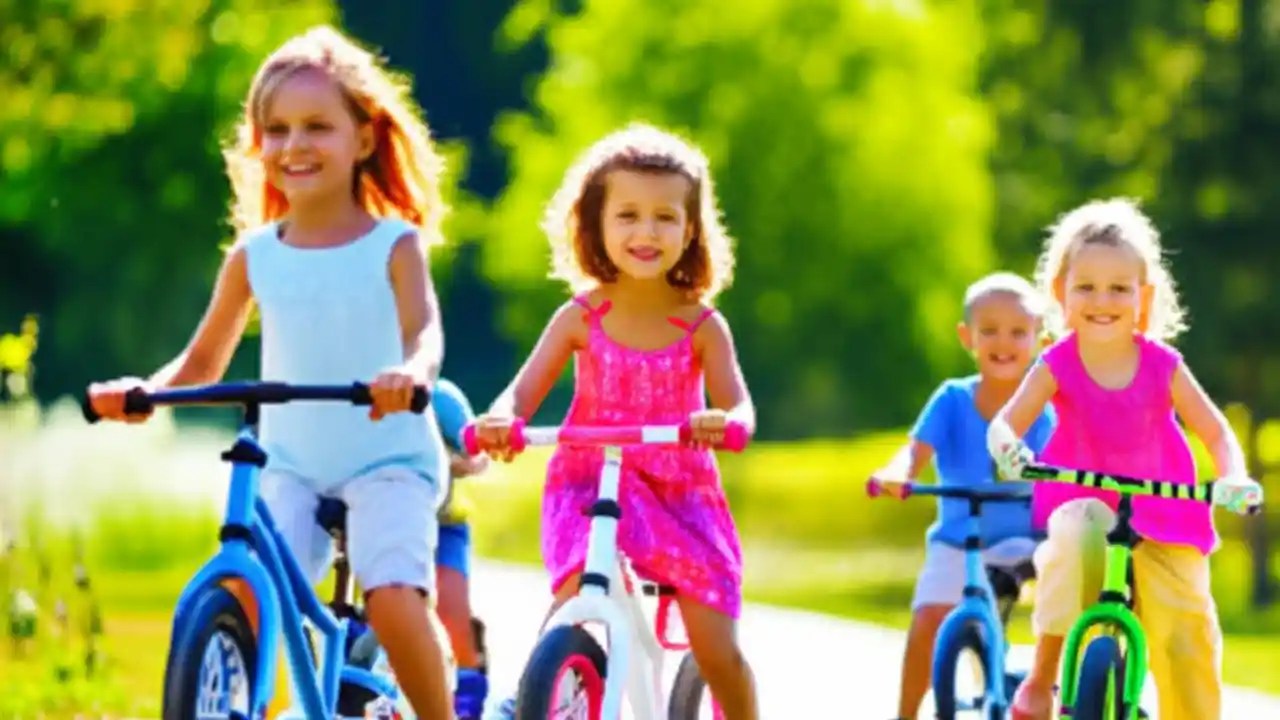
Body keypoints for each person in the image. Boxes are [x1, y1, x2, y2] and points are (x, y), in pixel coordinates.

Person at [85, 25, 456, 719]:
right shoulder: (255, 256)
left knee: (392, 595)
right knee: (245, 590)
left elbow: (424, 333)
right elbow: (201, 364)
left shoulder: (394, 245)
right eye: (276, 130)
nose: (294, 146)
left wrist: (408, 374)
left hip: (388, 458)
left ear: (364, 139)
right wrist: (142, 393)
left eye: (317, 126)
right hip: (289, 463)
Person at [471, 122, 760, 719]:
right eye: (627, 215)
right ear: (596, 225)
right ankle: (537, 694)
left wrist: (722, 420)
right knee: (576, 588)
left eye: (665, 217)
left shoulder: (699, 325)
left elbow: (740, 408)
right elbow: (519, 394)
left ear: (691, 229)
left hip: (680, 489)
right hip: (590, 478)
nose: (646, 232)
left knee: (716, 648)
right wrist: (501, 420)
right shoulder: (582, 315)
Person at [986, 198, 1263, 720]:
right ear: (1060, 293)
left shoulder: (1163, 365)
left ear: (1143, 297)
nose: (1101, 300)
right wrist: (1006, 446)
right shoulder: (1057, 363)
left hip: (1166, 512)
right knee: (1070, 544)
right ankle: (1042, 679)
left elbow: (1215, 429)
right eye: (1085, 285)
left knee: (1187, 639)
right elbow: (1008, 421)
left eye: (1119, 287)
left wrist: (1234, 475)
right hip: (1086, 502)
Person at [870, 272, 1056, 720]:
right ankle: (907, 714)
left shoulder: (1042, 408)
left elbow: (1060, 469)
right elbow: (913, 453)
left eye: (1017, 332)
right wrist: (896, 473)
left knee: (1066, 603)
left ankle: (1056, 694)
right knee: (927, 621)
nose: (1003, 342)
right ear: (966, 337)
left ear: (1039, 339)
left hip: (1027, 538)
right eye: (988, 330)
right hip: (960, 538)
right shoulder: (952, 399)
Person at [433, 378, 493, 719]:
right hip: (371, 518)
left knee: (451, 612)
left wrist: (461, 462)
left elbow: (478, 454)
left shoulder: (440, 398)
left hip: (442, 525)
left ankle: (467, 702)